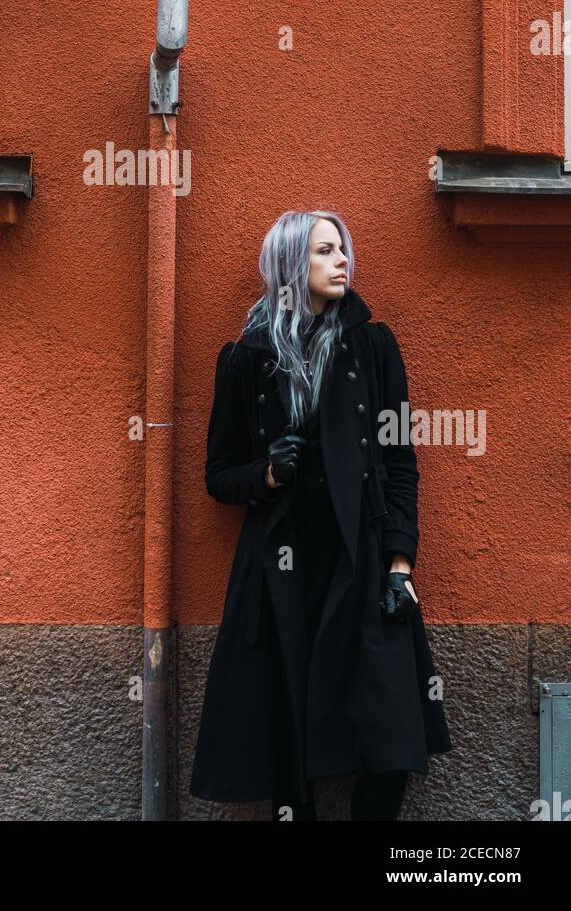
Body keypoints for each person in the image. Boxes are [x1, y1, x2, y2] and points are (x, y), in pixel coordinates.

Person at [189, 210, 452, 820]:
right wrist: (269, 473)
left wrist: (400, 565)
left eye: (342, 249)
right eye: (325, 251)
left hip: (362, 557)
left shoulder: (372, 345)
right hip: (282, 567)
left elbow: (399, 461)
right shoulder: (247, 359)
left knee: (391, 729)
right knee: (289, 728)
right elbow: (219, 475)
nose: (342, 262)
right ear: (289, 265)